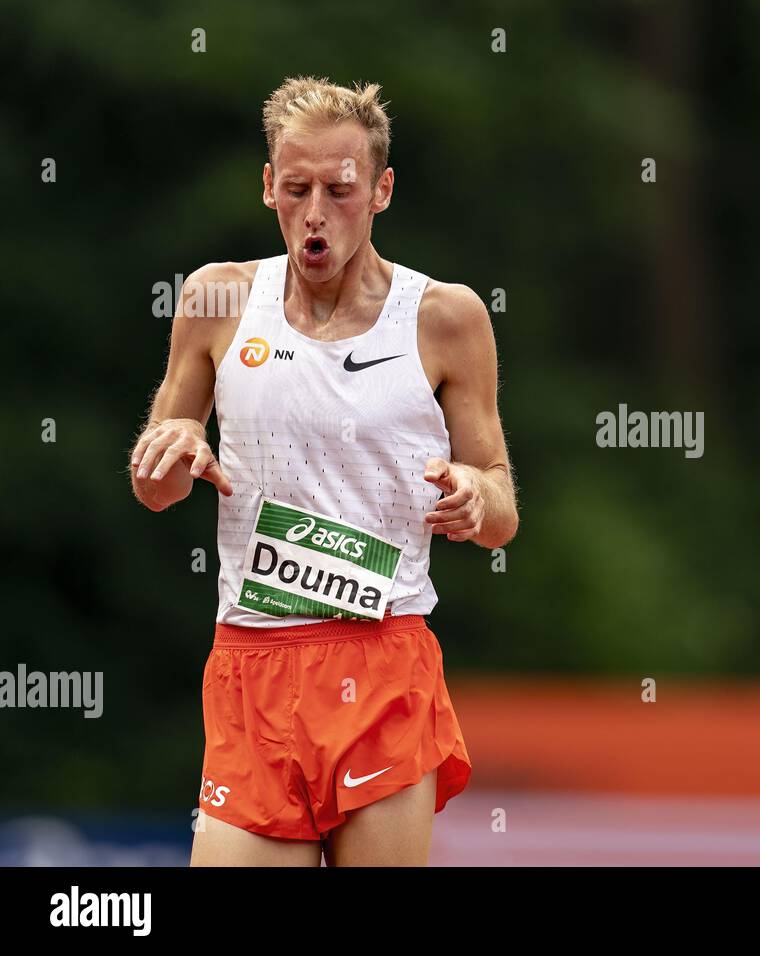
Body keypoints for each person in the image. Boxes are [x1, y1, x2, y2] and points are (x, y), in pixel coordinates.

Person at [129, 76, 518, 866]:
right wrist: (172, 451)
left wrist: (478, 498)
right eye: (296, 188)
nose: (315, 214)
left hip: (380, 661)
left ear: (380, 190)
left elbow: (501, 503)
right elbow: (156, 485)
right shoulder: (217, 299)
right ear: (268, 184)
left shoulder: (446, 316)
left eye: (339, 191)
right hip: (251, 661)